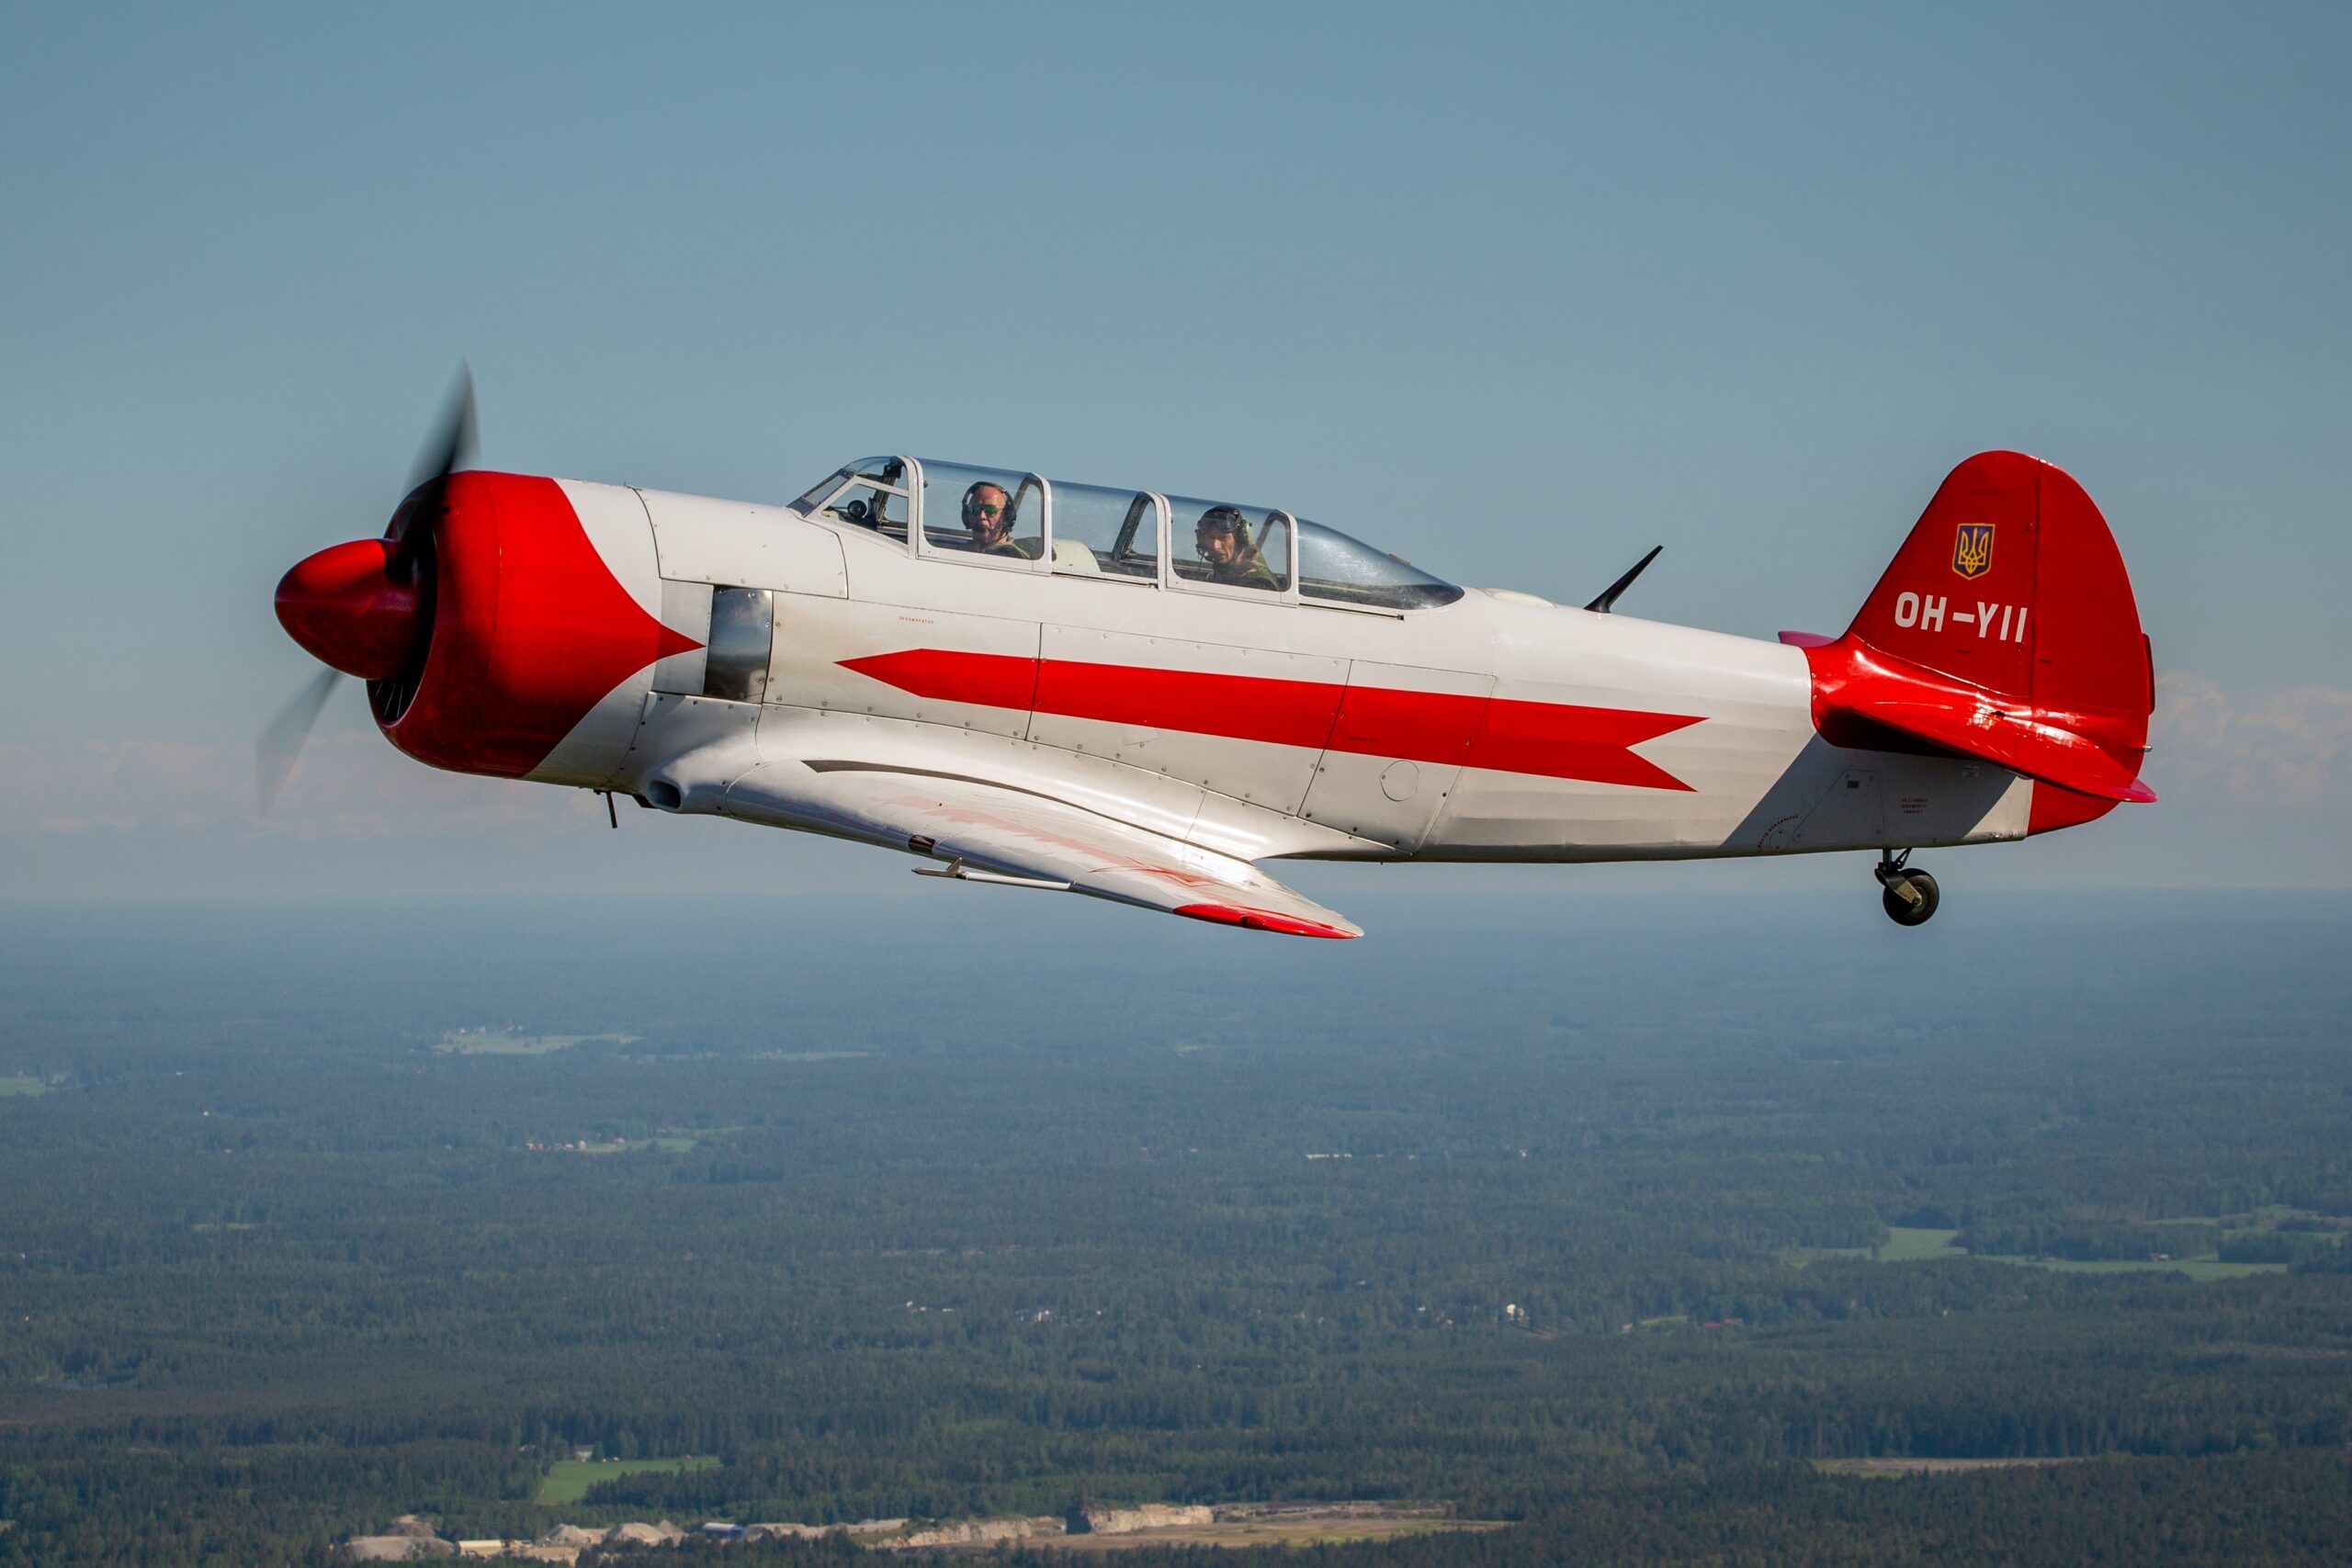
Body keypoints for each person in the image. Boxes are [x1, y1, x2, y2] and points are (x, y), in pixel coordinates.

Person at [1193, 506, 1278, 590]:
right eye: (1211, 538)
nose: (1216, 546)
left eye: (1223, 538)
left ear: (1240, 539)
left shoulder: (1259, 583)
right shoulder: (1226, 570)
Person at [960, 481, 1031, 558]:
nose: (981, 516)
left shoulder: (1018, 559)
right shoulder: (957, 551)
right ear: (966, 515)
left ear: (1007, 517)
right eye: (974, 509)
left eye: (990, 510)